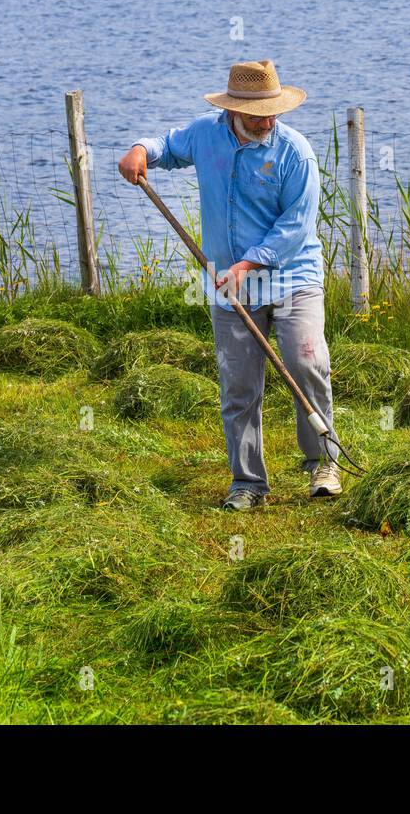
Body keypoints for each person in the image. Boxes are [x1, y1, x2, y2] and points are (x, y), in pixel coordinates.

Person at [117, 59, 341, 511]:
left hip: (293, 278)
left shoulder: (296, 153)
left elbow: (296, 224)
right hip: (232, 286)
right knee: (238, 385)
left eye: (273, 110)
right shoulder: (206, 134)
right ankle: (248, 483)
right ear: (234, 110)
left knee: (307, 363)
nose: (267, 120)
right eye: (258, 112)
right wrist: (140, 150)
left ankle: (323, 462)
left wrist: (248, 263)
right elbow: (167, 146)